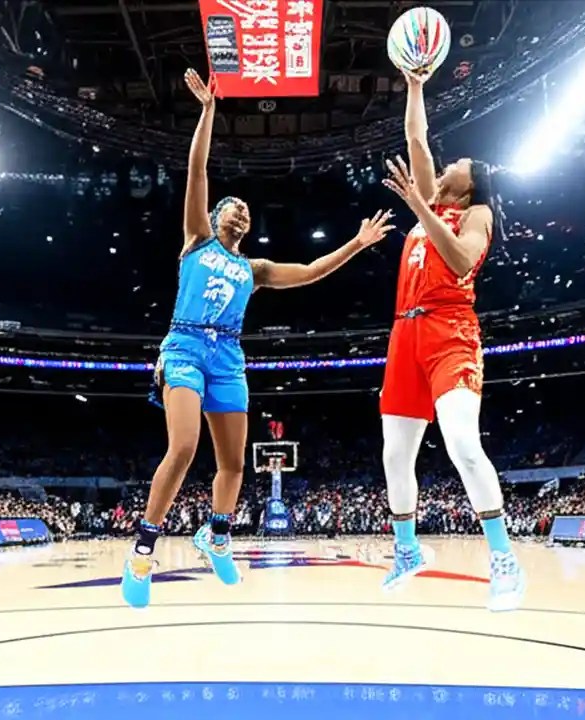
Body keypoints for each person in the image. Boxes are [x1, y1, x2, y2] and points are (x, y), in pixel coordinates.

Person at [120, 69, 396, 609]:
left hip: (227, 355)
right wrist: (208, 111)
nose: (241, 210)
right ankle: (143, 552)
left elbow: (312, 271)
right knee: (183, 447)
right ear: (215, 216)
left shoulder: (256, 269)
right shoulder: (197, 241)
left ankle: (217, 535)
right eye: (233, 205)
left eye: (246, 209)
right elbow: (197, 169)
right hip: (184, 347)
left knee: (234, 464)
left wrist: (358, 243)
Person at [375, 68, 524, 612]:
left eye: (454, 166)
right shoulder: (432, 200)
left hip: (450, 329)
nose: (443, 168)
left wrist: (419, 207)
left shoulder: (475, 213)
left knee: (462, 442)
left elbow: (462, 261)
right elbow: (416, 137)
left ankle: (504, 559)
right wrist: (414, 85)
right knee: (395, 455)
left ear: (468, 183)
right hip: (405, 332)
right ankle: (407, 549)